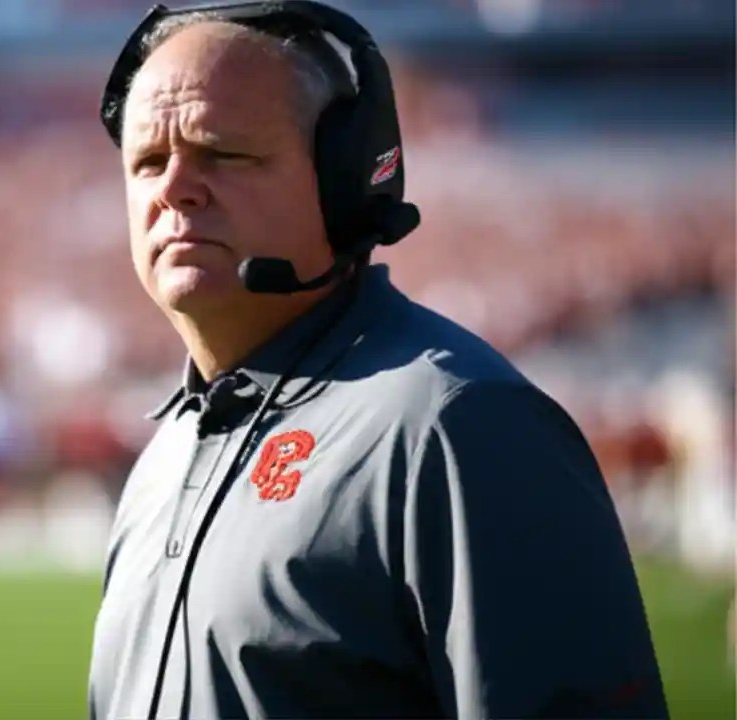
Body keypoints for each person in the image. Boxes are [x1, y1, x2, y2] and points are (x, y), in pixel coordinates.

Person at [86, 2, 668, 718]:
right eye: (146, 162)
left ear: (345, 180)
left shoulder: (458, 427)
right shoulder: (168, 451)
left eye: (224, 152)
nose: (173, 188)